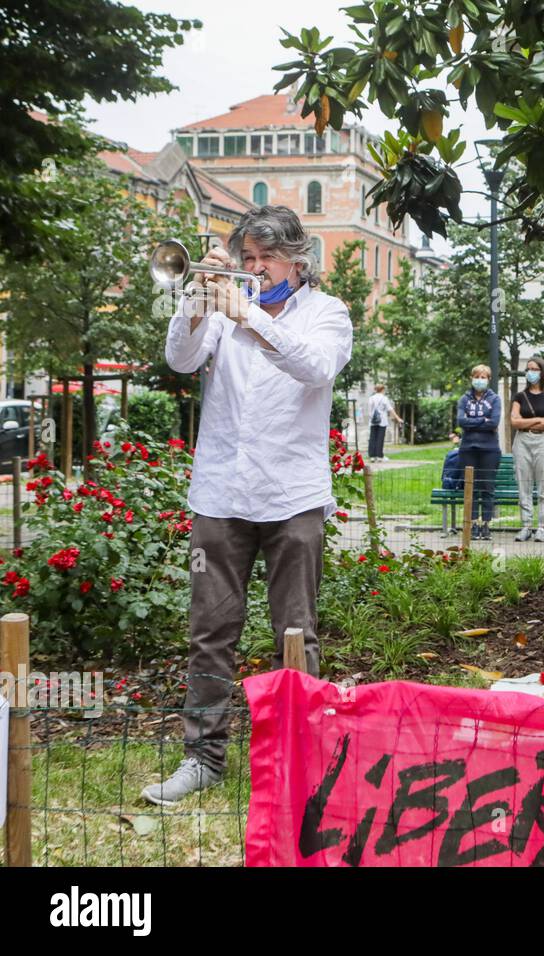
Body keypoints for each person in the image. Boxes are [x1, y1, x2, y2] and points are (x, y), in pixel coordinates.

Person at [147, 205, 352, 805]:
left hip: (292, 495)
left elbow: (315, 368)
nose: (256, 269)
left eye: (267, 259)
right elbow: (179, 360)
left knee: (296, 631)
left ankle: (302, 752)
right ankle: (203, 758)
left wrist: (255, 319)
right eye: (248, 259)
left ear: (298, 260)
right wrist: (198, 300)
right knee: (210, 631)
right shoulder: (221, 308)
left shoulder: (327, 313)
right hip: (220, 493)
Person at [509, 356, 544, 541]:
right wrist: (538, 420)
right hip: (522, 441)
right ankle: (526, 525)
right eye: (528, 369)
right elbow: (514, 421)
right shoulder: (519, 397)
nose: (531, 372)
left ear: (542, 372)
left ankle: (543, 527)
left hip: (543, 442)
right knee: (524, 484)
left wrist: (529, 421)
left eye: (535, 369)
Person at [456, 364, 502, 539]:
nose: (480, 380)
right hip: (468, 449)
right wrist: (483, 419)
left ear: (489, 379)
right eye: (477, 376)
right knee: (471, 488)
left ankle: (486, 524)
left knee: (488, 487)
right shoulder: (464, 399)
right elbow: (461, 421)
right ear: (471, 378)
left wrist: (473, 421)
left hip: (490, 450)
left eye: (484, 377)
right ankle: (473, 523)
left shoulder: (495, 399)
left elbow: (494, 422)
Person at [367, 384, 402, 461]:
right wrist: (398, 418)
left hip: (373, 421)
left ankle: (372, 456)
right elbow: (390, 409)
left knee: (372, 438)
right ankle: (380, 456)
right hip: (382, 421)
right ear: (382, 390)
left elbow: (369, 411)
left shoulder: (371, 398)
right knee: (380, 438)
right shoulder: (384, 398)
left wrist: (372, 418)